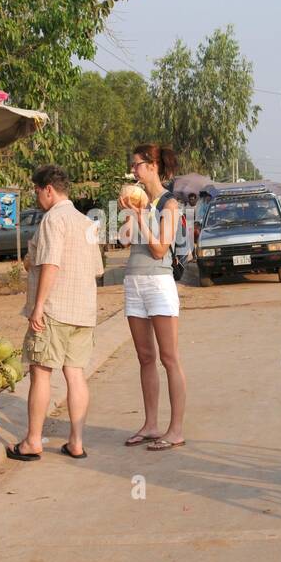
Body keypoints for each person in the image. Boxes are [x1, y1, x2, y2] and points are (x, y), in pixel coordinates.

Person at [7, 165, 104, 462]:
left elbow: (51, 264)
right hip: (83, 310)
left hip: (54, 309)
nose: (37, 197)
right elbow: (97, 269)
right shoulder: (86, 222)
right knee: (75, 374)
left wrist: (38, 306)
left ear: (48, 189)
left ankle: (33, 441)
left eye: (37, 191)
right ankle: (76, 442)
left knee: (40, 373)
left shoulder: (53, 219)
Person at [121, 144, 187, 451]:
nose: (133, 171)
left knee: (168, 358)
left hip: (158, 283)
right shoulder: (135, 199)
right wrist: (127, 215)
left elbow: (160, 249)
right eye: (133, 166)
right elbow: (122, 241)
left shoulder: (169, 203)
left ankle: (175, 430)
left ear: (153, 166)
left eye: (137, 165)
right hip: (133, 282)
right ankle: (150, 425)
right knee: (144, 357)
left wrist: (143, 217)